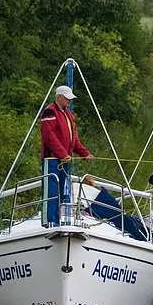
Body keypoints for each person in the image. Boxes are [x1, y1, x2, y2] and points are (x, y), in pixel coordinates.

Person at [40, 85, 91, 227]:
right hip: (52, 159)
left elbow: (73, 138)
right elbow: (49, 137)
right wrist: (63, 153)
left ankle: (57, 221)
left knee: (62, 192)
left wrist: (84, 153)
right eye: (67, 98)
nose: (69, 101)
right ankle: (49, 222)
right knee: (51, 192)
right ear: (59, 97)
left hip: (64, 160)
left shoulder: (67, 114)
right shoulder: (50, 112)